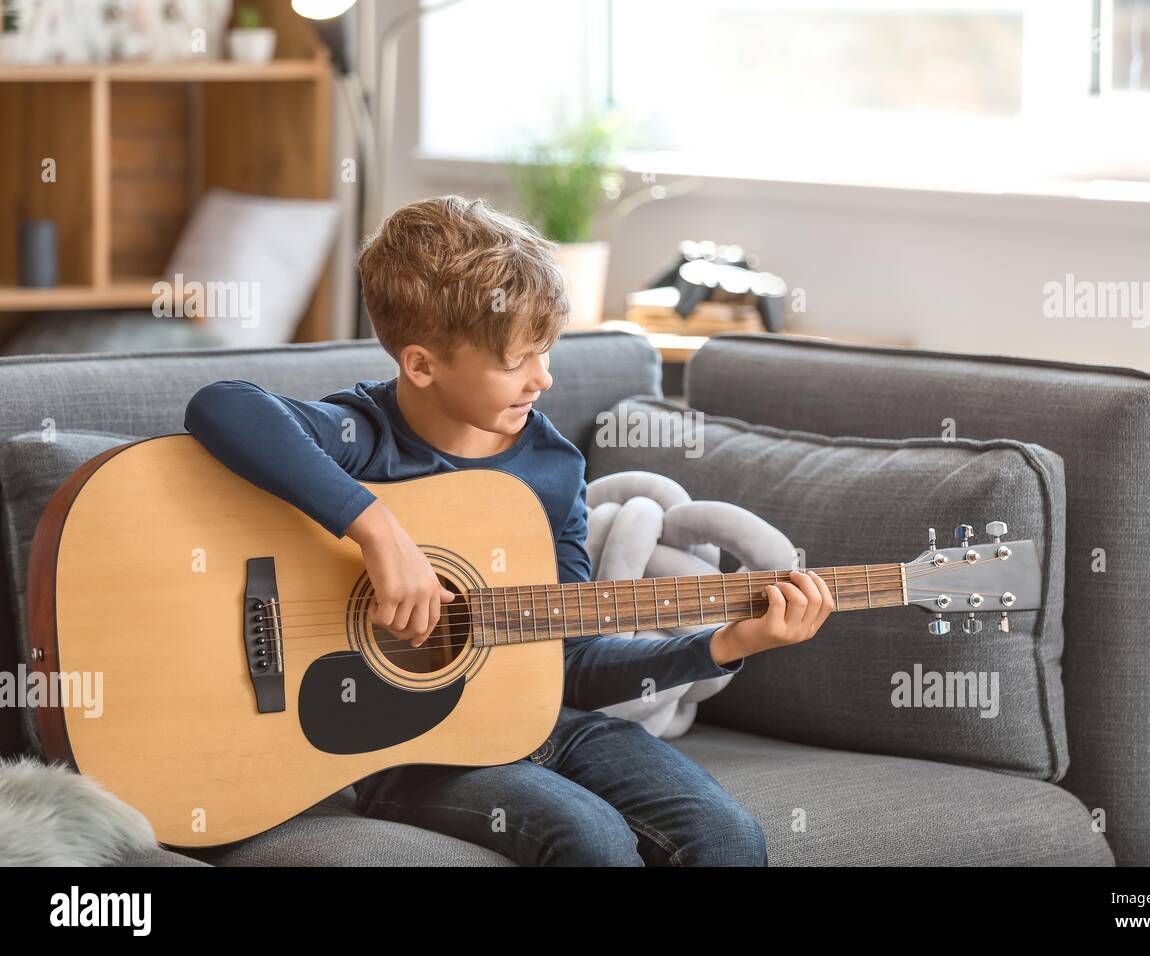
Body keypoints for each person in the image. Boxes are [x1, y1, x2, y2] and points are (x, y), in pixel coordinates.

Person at [184, 195, 834, 866]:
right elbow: (222, 407)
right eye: (516, 361)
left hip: (554, 723)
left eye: (545, 352)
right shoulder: (365, 436)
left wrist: (725, 643)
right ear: (422, 365)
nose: (543, 378)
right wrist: (378, 531)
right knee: (590, 839)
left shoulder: (552, 469)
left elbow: (571, 661)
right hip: (414, 753)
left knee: (728, 836)